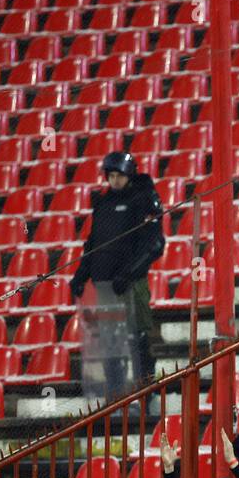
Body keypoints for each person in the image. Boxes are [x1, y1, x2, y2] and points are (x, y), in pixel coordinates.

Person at [68, 151, 165, 389]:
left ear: (129, 175)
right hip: (105, 284)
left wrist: (129, 273)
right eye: (110, 176)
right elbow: (94, 242)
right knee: (111, 341)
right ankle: (115, 394)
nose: (114, 181)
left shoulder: (144, 198)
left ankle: (146, 389)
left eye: (119, 175)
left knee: (138, 336)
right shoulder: (103, 202)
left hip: (132, 282)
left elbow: (154, 244)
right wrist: (81, 274)